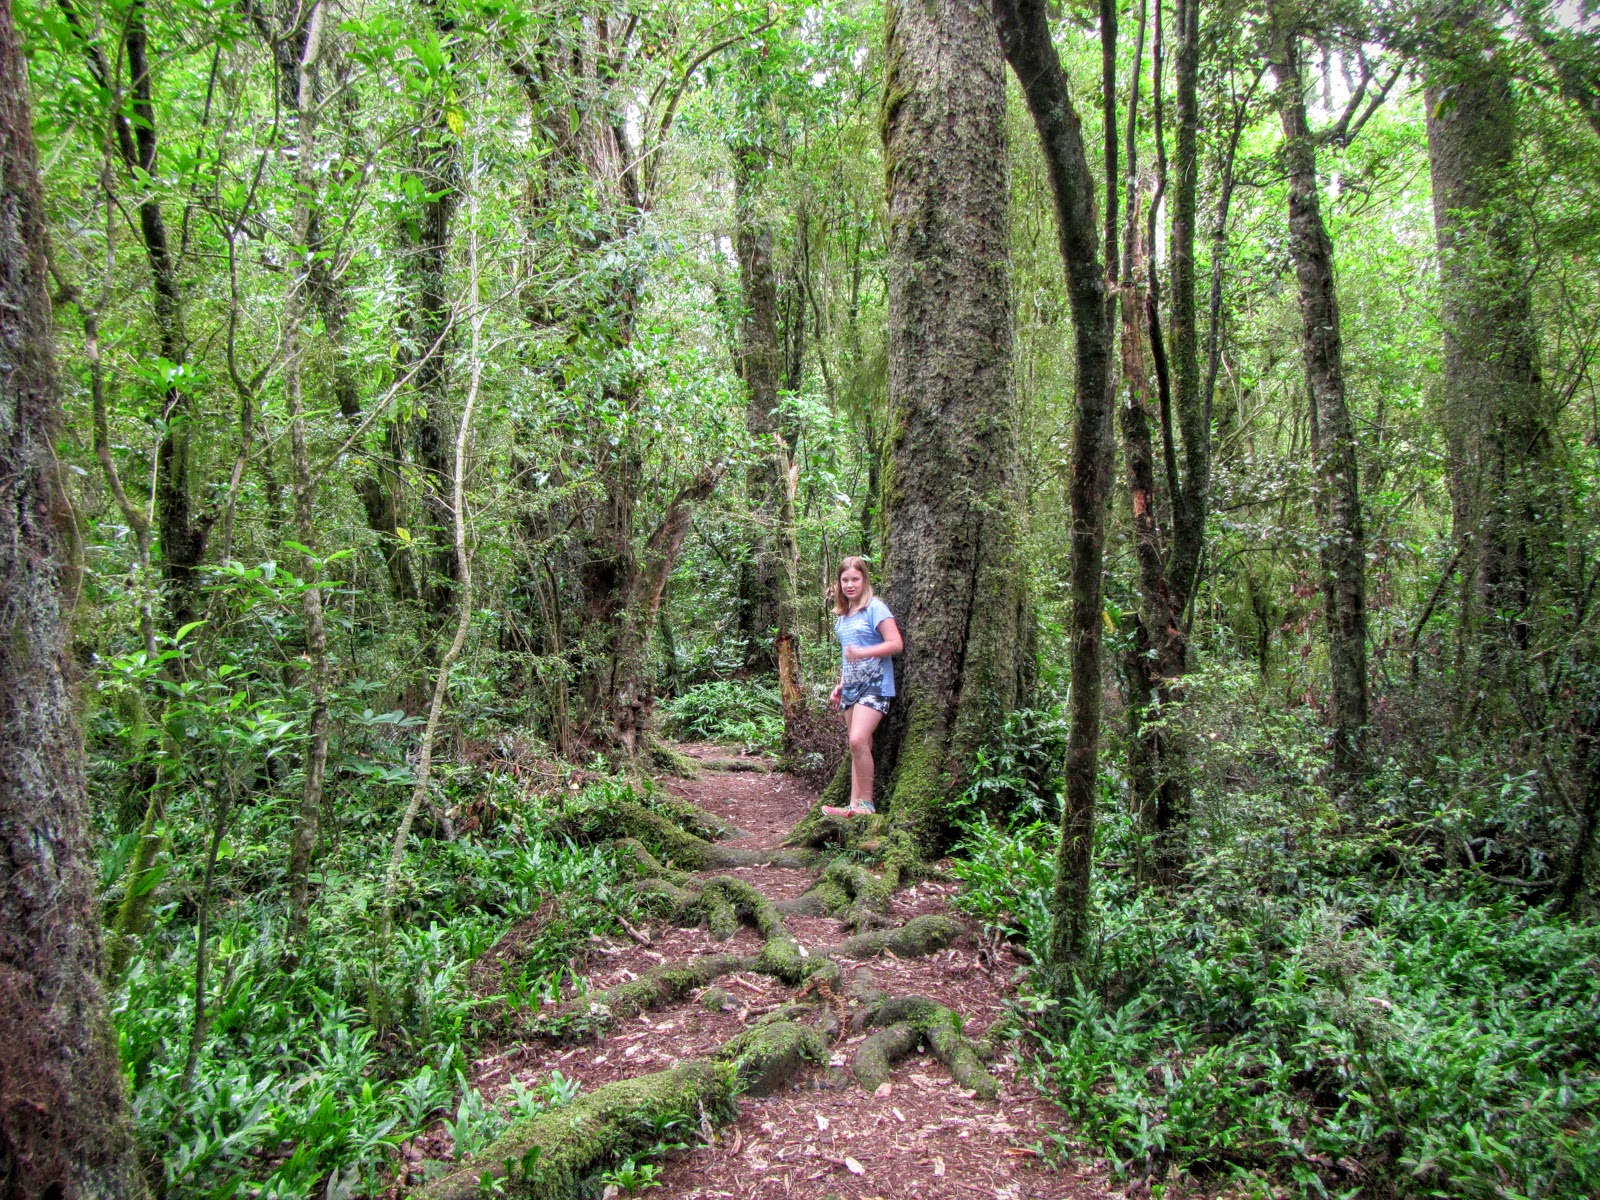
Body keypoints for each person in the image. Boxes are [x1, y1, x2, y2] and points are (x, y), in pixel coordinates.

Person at [821, 556, 903, 818]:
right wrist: (841, 685)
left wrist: (865, 651)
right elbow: (848, 657)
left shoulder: (875, 608)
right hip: (852, 690)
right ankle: (854, 805)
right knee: (859, 745)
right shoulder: (842, 617)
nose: (849, 584)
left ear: (864, 579)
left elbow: (895, 643)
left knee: (857, 740)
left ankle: (866, 805)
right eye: (844, 580)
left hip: (876, 686)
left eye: (855, 579)